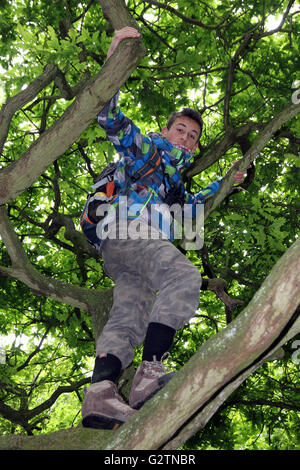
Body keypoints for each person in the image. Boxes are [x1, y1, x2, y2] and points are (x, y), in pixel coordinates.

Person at [81, 27, 246, 430]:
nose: (187, 140)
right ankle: (149, 373)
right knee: (183, 276)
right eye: (181, 131)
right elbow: (111, 119)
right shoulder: (150, 152)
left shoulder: (173, 186)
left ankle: (101, 396)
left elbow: (196, 205)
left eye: (193, 138)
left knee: (129, 318)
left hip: (122, 254)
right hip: (129, 233)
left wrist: (230, 180)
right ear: (165, 131)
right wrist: (115, 58)